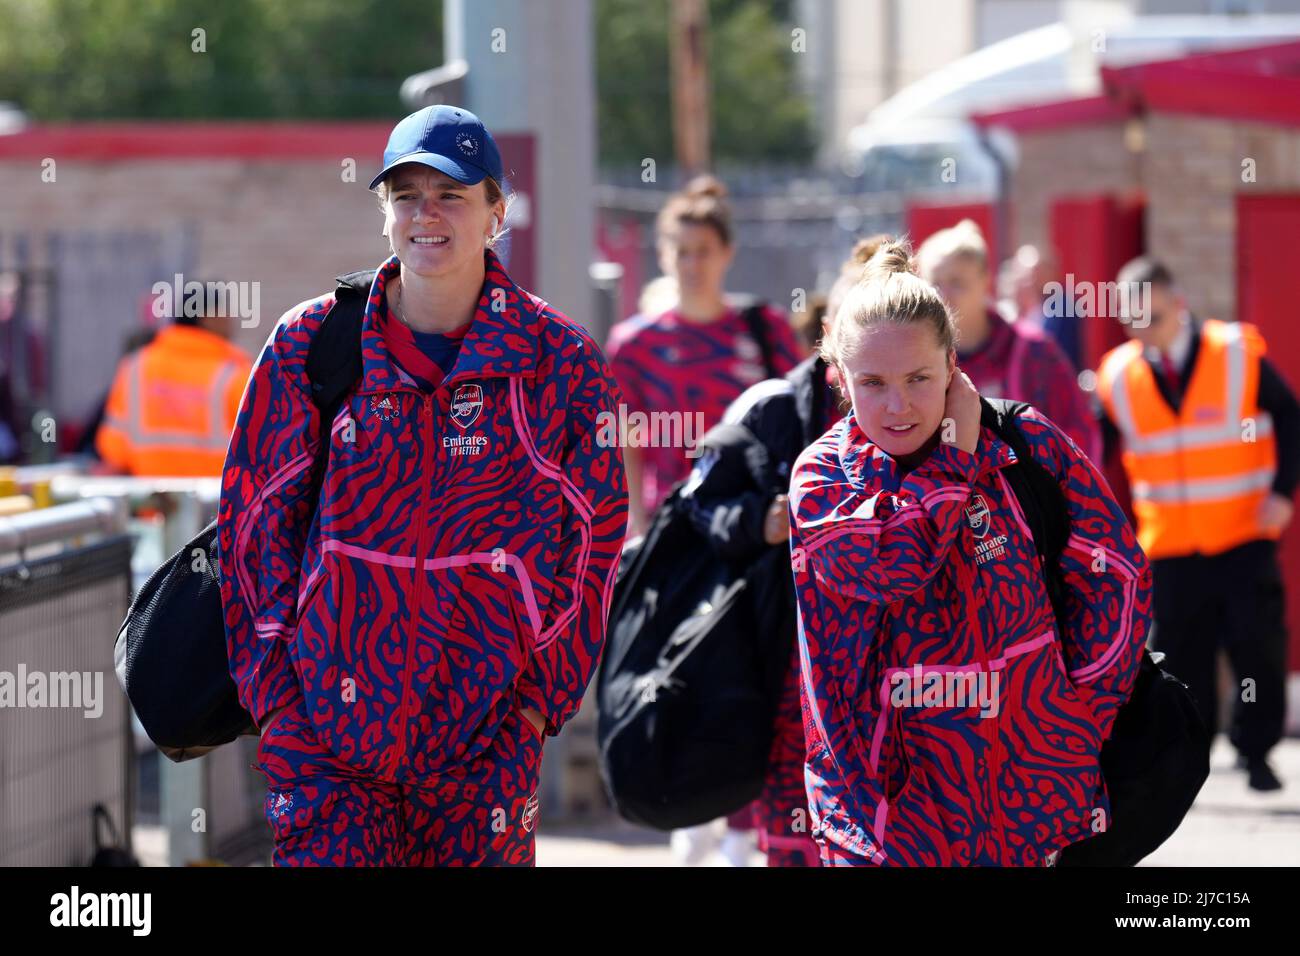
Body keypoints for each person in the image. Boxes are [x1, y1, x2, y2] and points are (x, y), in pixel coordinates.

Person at [218, 105, 628, 866]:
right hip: (325, 744)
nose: (426, 214)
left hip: (483, 751)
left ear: (496, 214)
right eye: (407, 195)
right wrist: (277, 701)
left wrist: (537, 705)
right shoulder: (310, 345)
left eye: (452, 195)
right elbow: (253, 528)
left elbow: (596, 543)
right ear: (384, 213)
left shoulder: (559, 364)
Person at [789, 239, 1153, 866]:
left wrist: (1071, 719)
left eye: (919, 379)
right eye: (872, 383)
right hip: (880, 819)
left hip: (1022, 802)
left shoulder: (1024, 443)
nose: (898, 405)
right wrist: (954, 462)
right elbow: (897, 563)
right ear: (838, 377)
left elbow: (1116, 576)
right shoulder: (823, 478)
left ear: (953, 364)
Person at [681, 235, 887, 866]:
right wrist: (760, 523)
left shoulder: (937, 411)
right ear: (828, 329)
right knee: (797, 852)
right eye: (855, 323)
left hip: (901, 698)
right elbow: (701, 507)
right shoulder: (773, 411)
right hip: (791, 691)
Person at [1097, 257, 1298, 792]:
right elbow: (1096, 459)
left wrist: (1282, 493)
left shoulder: (1235, 354)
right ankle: (1192, 761)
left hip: (1243, 534)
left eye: (1153, 317)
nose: (1143, 332)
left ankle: (1256, 752)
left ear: (1178, 304)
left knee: (1256, 648)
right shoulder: (1117, 374)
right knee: (1183, 659)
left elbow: (1291, 414)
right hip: (1169, 544)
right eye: (1132, 322)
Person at [606, 176, 805, 538]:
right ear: (664, 255)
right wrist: (636, 523)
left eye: (704, 250)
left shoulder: (766, 328)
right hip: (670, 521)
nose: (692, 263)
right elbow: (624, 441)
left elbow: (799, 414)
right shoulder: (634, 343)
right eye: (682, 251)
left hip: (750, 519)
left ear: (727, 252)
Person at [918, 221, 1099, 462]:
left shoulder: (1033, 351)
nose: (944, 295)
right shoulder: (919, 364)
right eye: (935, 283)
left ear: (985, 280)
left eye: (957, 282)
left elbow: (1081, 440)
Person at [94, 282, 251, 476]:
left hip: (150, 504)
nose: (231, 320)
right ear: (208, 317)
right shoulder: (235, 376)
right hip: (216, 503)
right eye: (226, 312)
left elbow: (114, 451)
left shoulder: (136, 368)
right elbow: (259, 450)